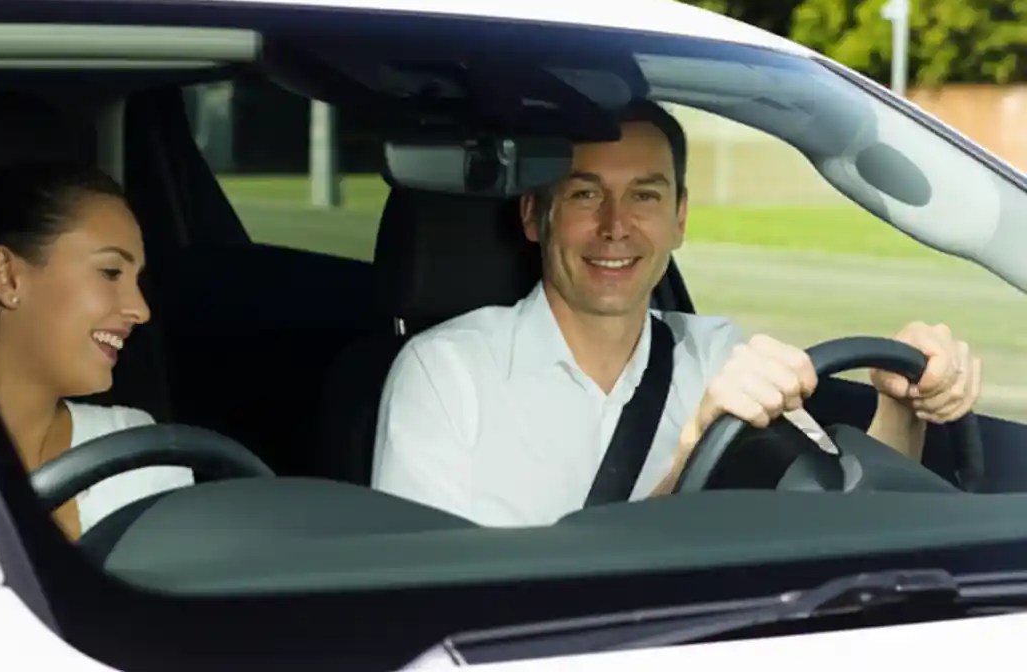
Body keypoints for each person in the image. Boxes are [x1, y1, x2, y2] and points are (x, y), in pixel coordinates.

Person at [371, 100, 981, 527]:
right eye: (585, 194)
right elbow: (425, 610)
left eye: (645, 195)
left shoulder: (718, 356)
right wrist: (689, 461)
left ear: (679, 218)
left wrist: (903, 407)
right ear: (534, 215)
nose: (616, 226)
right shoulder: (444, 375)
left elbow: (841, 524)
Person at [0, 163, 192, 540]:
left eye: (136, 281)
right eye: (111, 272)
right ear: (7, 276)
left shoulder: (138, 452)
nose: (141, 309)